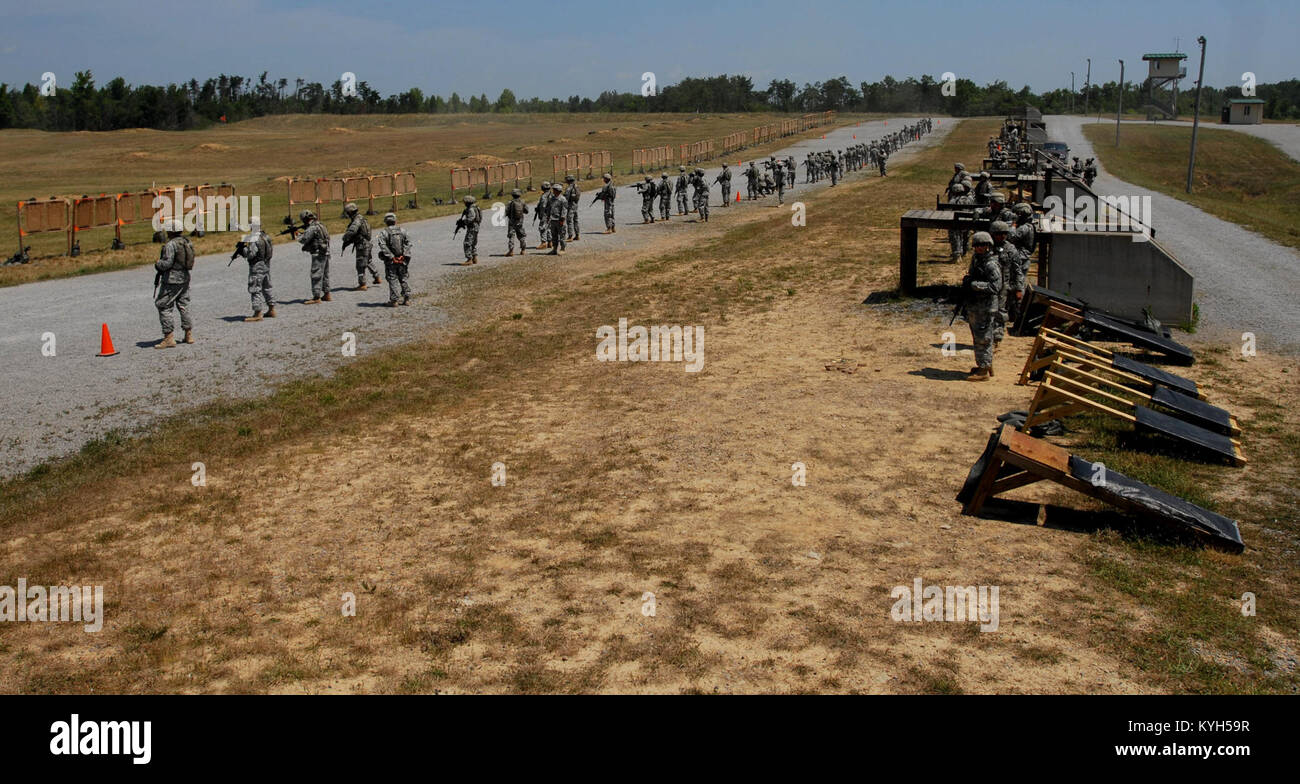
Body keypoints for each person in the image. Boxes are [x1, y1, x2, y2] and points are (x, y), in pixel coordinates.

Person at [962, 232, 1002, 381]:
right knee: (978, 336)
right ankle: (985, 364)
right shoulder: (977, 260)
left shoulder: (991, 264)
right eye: (976, 245)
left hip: (985, 306)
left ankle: (983, 369)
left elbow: (995, 286)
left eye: (982, 245)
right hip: (975, 305)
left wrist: (974, 285)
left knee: (983, 338)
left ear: (988, 246)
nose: (979, 248)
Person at [153, 218, 195, 348]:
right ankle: (188, 334)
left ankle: (168, 337)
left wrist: (157, 263)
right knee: (184, 305)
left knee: (163, 305)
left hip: (172, 279)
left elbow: (167, 263)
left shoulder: (170, 245)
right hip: (185, 277)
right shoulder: (187, 242)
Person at [237, 218, 275, 321]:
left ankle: (257, 313)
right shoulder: (266, 236)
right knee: (267, 287)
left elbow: (250, 255)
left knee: (255, 288)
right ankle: (271, 309)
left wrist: (243, 250)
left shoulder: (254, 238)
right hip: (266, 265)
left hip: (257, 267)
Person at [374, 212, 412, 305]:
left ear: (386, 222)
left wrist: (391, 257)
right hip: (403, 259)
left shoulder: (384, 233)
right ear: (395, 221)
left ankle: (394, 300)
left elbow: (383, 246)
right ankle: (407, 298)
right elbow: (408, 243)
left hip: (391, 261)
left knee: (392, 278)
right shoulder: (403, 231)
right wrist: (403, 255)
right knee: (403, 277)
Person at [341, 202, 380, 290]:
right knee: (368, 261)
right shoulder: (362, 218)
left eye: (348, 212)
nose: (347, 214)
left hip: (362, 245)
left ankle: (362, 284)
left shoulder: (356, 220)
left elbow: (352, 231)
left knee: (360, 264)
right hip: (367, 243)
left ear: (350, 212)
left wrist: (345, 238)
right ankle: (377, 277)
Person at [297, 209, 331, 303]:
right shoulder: (320, 225)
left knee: (316, 274)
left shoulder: (312, 228)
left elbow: (304, 239)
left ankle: (316, 297)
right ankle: (327, 294)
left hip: (318, 253)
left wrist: (297, 235)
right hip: (325, 252)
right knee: (325, 275)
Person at [458, 195, 482, 265]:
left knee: (467, 243)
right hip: (476, 227)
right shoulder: (476, 207)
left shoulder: (471, 209)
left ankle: (469, 259)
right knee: (473, 243)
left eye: (465, 202)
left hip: (472, 228)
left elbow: (471, 218)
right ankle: (474, 257)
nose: (464, 203)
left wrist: (463, 222)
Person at [505, 188, 528, 256]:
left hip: (512, 222)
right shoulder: (522, 202)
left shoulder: (510, 202)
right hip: (520, 222)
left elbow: (506, 212)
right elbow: (526, 211)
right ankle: (523, 250)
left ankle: (511, 251)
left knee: (511, 236)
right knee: (521, 235)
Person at [547, 182, 568, 254]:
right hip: (553, 219)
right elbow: (549, 208)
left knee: (562, 235)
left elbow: (564, 210)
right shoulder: (551, 198)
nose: (553, 191)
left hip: (559, 220)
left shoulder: (563, 199)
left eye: (555, 190)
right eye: (553, 189)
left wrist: (562, 219)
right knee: (554, 235)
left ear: (558, 191)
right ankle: (554, 249)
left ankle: (563, 248)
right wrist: (548, 216)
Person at [563, 175, 581, 241]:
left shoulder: (569, 188)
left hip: (570, 206)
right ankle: (577, 235)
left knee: (569, 221)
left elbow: (566, 198)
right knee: (576, 220)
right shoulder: (576, 186)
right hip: (575, 205)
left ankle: (570, 236)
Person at [535, 182, 552, 248]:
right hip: (551, 214)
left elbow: (543, 206)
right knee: (549, 228)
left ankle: (543, 243)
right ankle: (550, 242)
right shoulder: (551, 194)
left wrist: (541, 215)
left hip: (545, 214)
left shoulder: (544, 196)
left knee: (542, 228)